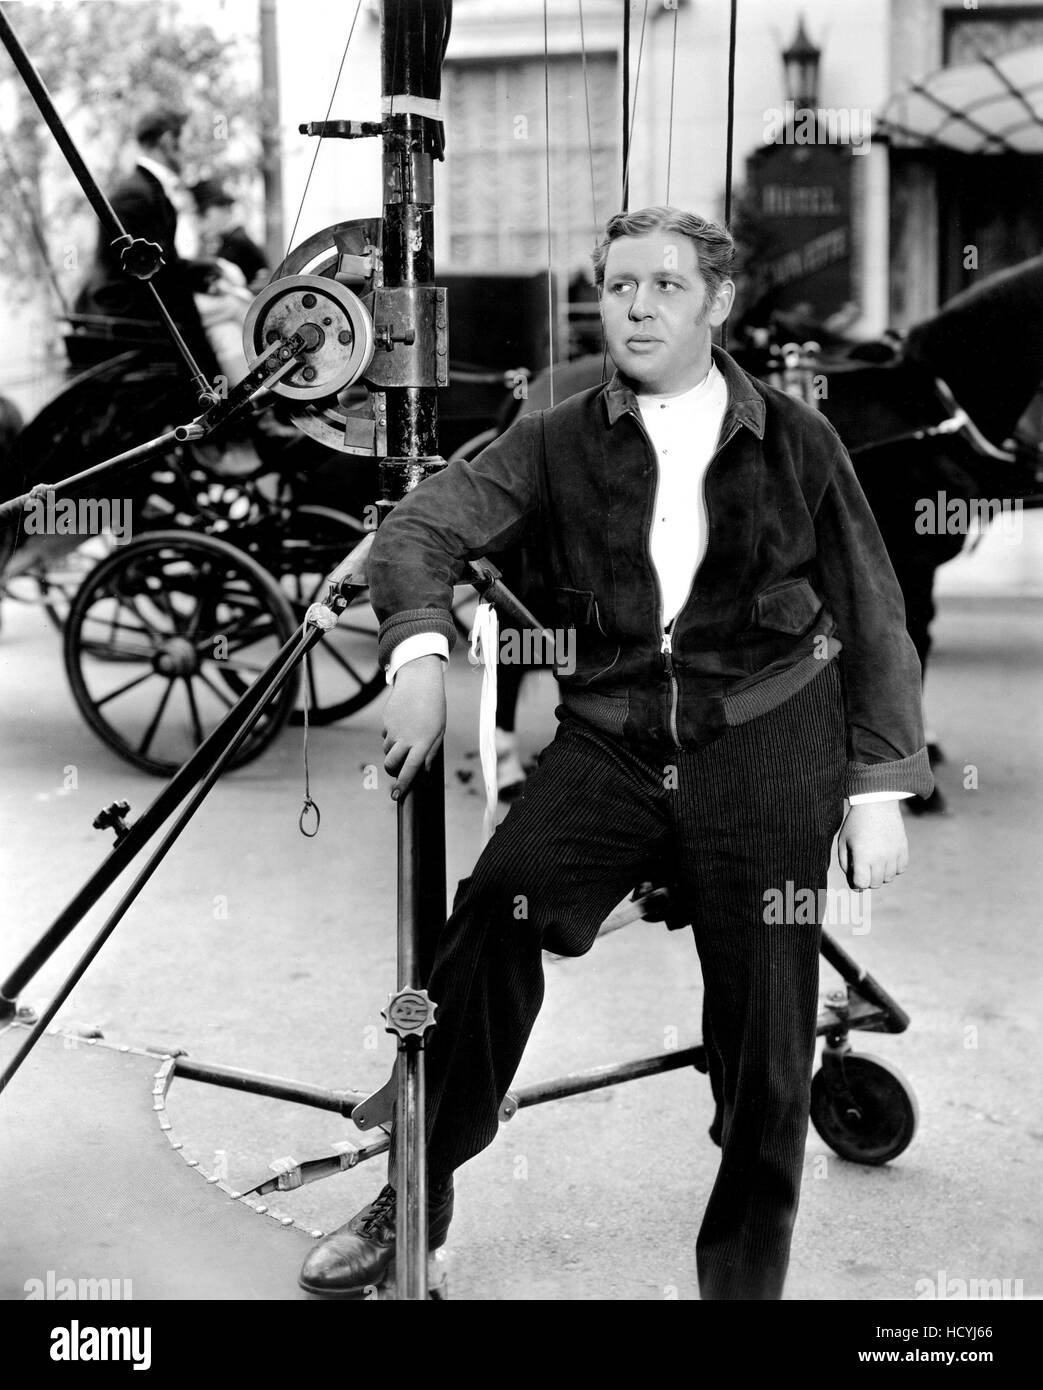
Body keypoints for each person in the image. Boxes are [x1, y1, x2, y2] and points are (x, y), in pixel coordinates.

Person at [299, 207, 932, 1301]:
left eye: (664, 286)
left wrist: (875, 785)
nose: (635, 307)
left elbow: (871, 615)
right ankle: (422, 1179)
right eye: (618, 285)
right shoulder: (554, 435)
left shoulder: (795, 439)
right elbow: (421, 529)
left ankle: (741, 1281)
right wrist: (413, 657)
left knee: (767, 1034)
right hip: (618, 735)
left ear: (717, 302)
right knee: (492, 910)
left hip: (768, 737)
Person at [73, 106, 217, 378]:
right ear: (167, 140)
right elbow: (153, 267)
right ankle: (236, 407)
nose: (188, 149)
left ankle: (245, 405)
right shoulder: (136, 195)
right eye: (186, 139)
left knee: (229, 309)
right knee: (225, 314)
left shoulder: (148, 189)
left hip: (143, 298)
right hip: (127, 305)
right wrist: (211, 271)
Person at [190, 179, 270, 293]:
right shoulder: (230, 239)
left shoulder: (236, 242)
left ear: (225, 210)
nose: (202, 222)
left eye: (205, 215)